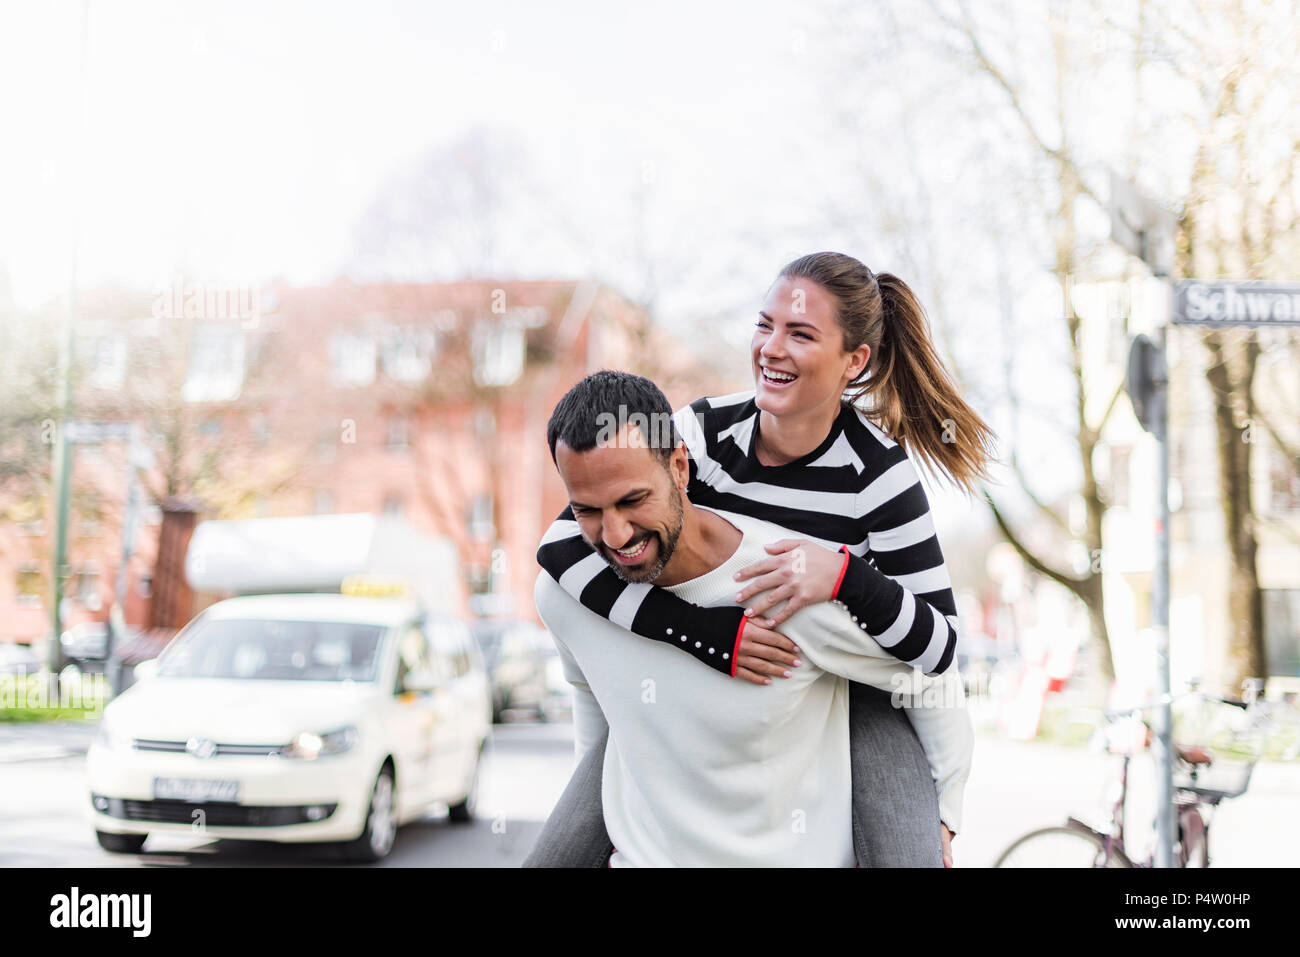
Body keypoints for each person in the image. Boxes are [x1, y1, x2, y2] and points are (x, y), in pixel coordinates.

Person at [526, 252, 997, 867]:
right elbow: (563, 546)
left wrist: (845, 576)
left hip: (853, 686)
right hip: (691, 665)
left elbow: (937, 649)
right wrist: (701, 633)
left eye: (800, 334)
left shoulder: (877, 476)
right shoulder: (704, 432)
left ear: (854, 361)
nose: (771, 348)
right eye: (765, 324)